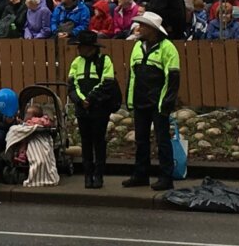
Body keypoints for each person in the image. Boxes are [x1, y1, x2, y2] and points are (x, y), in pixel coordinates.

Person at [122, 12, 181, 191]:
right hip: (140, 100)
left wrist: (166, 103)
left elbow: (172, 79)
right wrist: (130, 100)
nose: (139, 29)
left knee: (162, 140)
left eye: (143, 26)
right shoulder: (138, 47)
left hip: (158, 102)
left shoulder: (168, 48)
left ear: (153, 30)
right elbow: (132, 76)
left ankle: (166, 177)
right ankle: (141, 174)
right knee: (141, 140)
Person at [68, 31, 121, 189]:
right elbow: (72, 85)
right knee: (86, 142)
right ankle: (87, 175)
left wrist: (90, 98)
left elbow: (107, 83)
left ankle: (98, 175)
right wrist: (80, 99)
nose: (78, 50)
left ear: (90, 47)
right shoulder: (76, 62)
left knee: (98, 141)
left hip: (99, 109)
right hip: (82, 109)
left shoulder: (104, 61)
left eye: (81, 47)